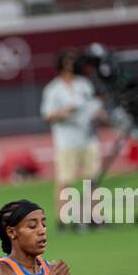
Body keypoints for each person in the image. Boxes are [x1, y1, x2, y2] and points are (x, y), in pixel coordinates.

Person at [41, 48, 105, 229]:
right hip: (66, 140)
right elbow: (47, 115)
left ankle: (95, 216)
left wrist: (100, 115)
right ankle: (62, 219)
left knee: (92, 179)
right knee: (65, 180)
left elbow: (94, 106)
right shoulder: (53, 89)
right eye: (68, 61)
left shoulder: (84, 84)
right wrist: (64, 112)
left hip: (88, 137)